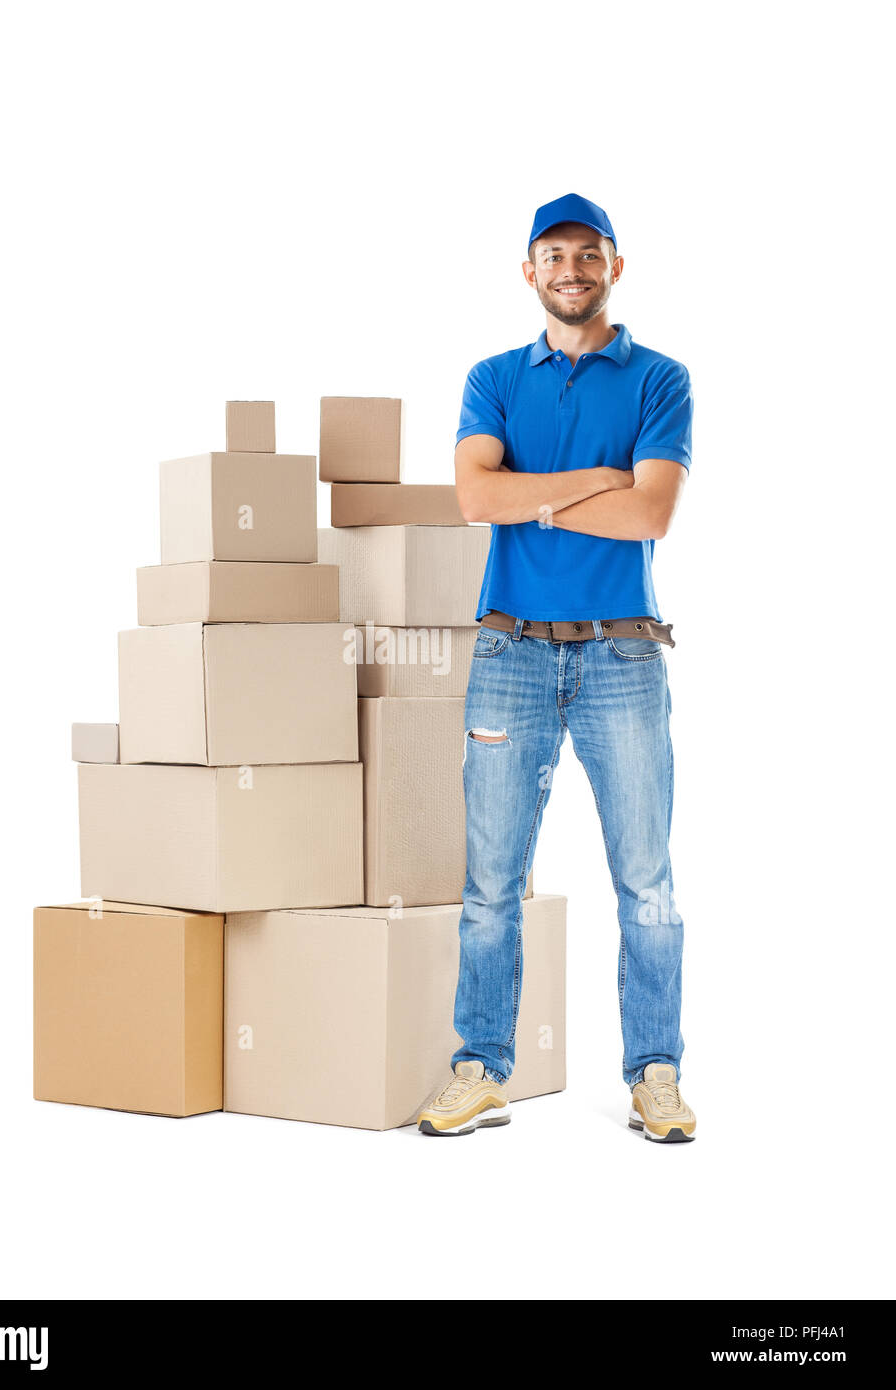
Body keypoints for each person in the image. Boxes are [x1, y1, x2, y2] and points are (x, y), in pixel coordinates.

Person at [417, 193, 696, 1142]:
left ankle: (654, 1073)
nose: (569, 269)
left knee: (646, 881)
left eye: (588, 254)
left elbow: (649, 514)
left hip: (624, 652)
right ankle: (479, 1067)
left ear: (614, 267)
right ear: (527, 272)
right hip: (509, 651)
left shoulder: (660, 379)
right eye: (552, 255)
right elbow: (469, 496)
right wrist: (593, 481)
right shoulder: (492, 377)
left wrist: (524, 498)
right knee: (490, 881)